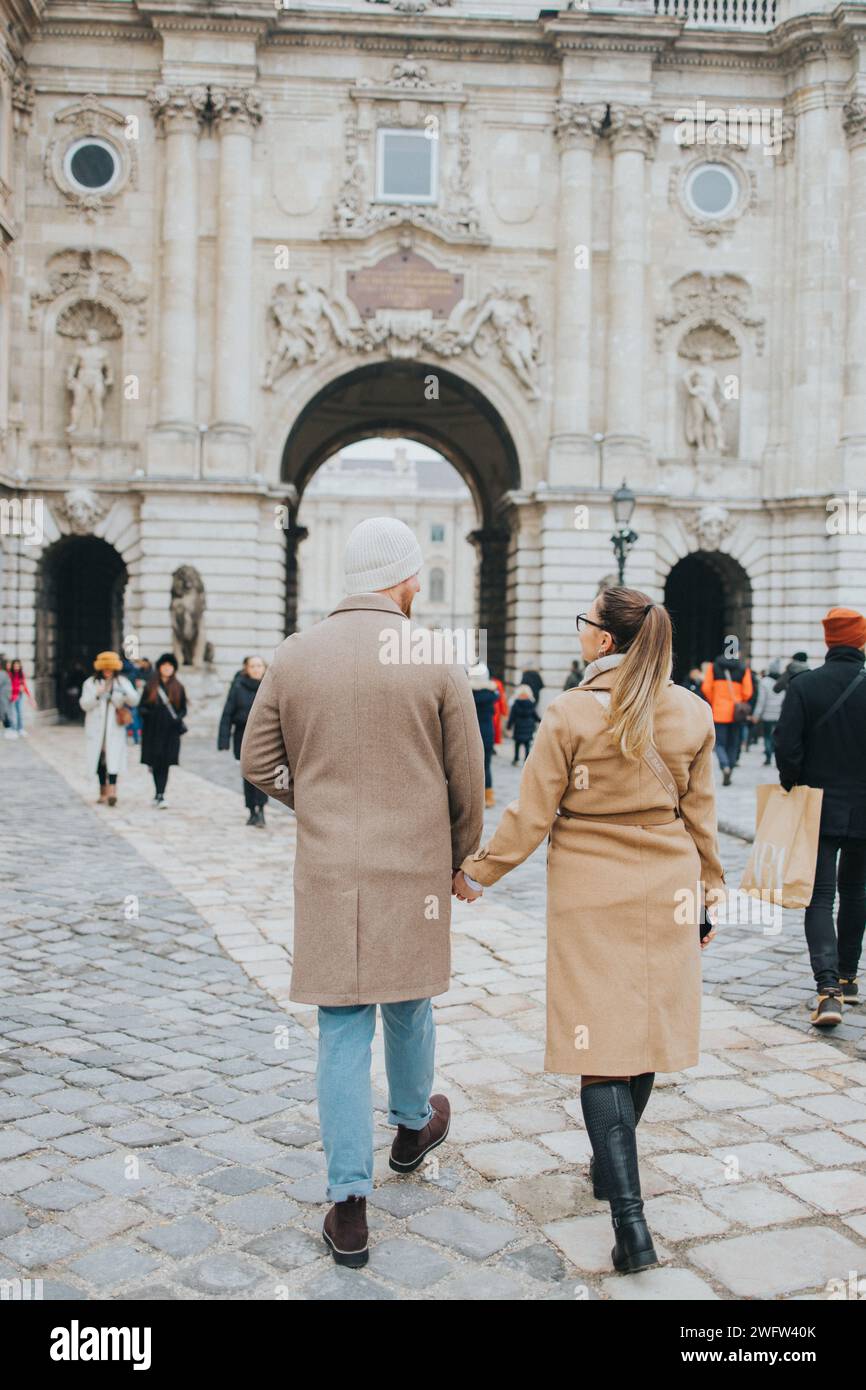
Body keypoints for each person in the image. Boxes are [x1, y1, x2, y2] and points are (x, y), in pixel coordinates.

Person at [456, 587, 723, 1275]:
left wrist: (478, 872)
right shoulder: (691, 712)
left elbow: (531, 812)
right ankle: (614, 1167)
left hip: (590, 890)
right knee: (643, 1035)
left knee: (599, 1045)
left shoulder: (572, 711)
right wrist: (708, 894)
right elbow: (703, 818)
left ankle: (629, 1222)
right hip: (667, 880)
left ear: (604, 641)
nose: (580, 634)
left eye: (585, 625)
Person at [241, 516, 484, 1270]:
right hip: (411, 869)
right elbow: (466, 776)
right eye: (414, 577)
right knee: (409, 1002)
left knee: (342, 1029)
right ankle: (412, 1128)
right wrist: (458, 851)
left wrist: (308, 802)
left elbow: (257, 761)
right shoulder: (432, 654)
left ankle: (349, 1203)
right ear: (404, 578)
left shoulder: (294, 654)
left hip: (327, 871)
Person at [773, 607, 866, 1028]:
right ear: (861, 642)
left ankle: (827, 990)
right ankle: (848, 975)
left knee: (820, 895)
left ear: (828, 641)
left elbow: (786, 747)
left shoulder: (805, 686)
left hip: (819, 805)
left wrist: (793, 782)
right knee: (857, 891)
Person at [79, 651, 140, 806]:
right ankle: (103, 790)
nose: (107, 671)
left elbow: (134, 700)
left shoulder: (121, 682)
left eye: (110, 668)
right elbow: (84, 704)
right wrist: (97, 696)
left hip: (114, 728)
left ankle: (112, 789)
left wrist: (123, 693)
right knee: (100, 759)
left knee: (113, 758)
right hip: (97, 727)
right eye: (105, 668)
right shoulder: (91, 683)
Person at [218, 655, 268, 827]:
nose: (256, 669)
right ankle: (251, 810)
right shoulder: (238, 687)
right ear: (246, 669)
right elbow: (227, 714)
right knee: (248, 776)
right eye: (253, 666)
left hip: (265, 739)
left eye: (259, 666)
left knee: (263, 775)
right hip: (243, 738)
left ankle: (261, 810)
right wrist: (223, 740)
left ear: (264, 668)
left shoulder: (270, 687)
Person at [140, 652, 187, 808]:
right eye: (164, 666)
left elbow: (183, 709)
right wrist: (151, 713)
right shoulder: (151, 686)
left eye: (170, 666)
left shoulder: (178, 687)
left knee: (165, 763)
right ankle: (157, 792)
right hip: (153, 731)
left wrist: (177, 718)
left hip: (170, 732)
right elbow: (142, 707)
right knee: (155, 762)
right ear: (160, 668)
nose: (167, 669)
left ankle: (161, 793)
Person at [701, 651, 753, 785]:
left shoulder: (713, 667)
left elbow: (706, 688)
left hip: (719, 711)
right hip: (736, 713)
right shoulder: (743, 668)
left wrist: (715, 701)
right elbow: (748, 692)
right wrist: (738, 700)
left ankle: (724, 766)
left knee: (719, 743)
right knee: (733, 743)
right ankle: (730, 766)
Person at [469, 662, 500, 808]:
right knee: (486, 765)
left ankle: (472, 798)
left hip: (471, 733)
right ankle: (488, 797)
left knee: (469, 767)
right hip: (487, 733)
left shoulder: (468, 694)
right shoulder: (492, 695)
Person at [752, 659, 785, 765]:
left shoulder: (764, 681)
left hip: (767, 714)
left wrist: (757, 714)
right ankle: (775, 755)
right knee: (777, 737)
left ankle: (768, 756)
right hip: (779, 713)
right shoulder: (782, 680)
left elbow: (761, 700)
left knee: (767, 736)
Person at [507, 683, 540, 763]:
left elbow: (512, 716)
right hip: (528, 726)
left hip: (518, 726)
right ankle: (527, 759)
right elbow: (534, 715)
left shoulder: (516, 703)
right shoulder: (531, 703)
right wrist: (540, 720)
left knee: (517, 743)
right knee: (527, 744)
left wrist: (509, 725)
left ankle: (516, 758)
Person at [6, 660, 35, 735]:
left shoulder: (21, 674)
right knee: (12, 712)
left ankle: (20, 728)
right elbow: (8, 686)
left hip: (19, 695)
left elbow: (24, 686)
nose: (17, 667)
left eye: (18, 665)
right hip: (11, 695)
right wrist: (17, 688)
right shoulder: (10, 674)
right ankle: (13, 729)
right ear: (13, 666)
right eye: (15, 665)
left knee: (19, 712)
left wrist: (29, 696)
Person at [490, 669, 508, 749]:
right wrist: (504, 711)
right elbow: (502, 699)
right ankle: (492, 745)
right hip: (496, 709)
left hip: (490, 708)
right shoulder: (497, 683)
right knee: (494, 728)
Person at [0, 655, 13, 738]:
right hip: (3, 698)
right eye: (7, 663)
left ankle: (8, 730)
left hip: (5, 697)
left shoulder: (5, 673)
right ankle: (7, 730)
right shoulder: (2, 673)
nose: (9, 665)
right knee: (5, 713)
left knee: (5, 713)